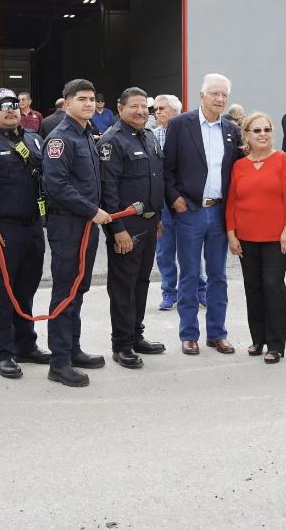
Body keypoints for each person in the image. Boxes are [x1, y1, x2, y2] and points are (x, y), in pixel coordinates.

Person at [0, 89, 52, 379]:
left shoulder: (34, 139)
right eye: (2, 106)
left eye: (14, 105)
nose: (10, 110)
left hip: (32, 228)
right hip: (1, 230)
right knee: (1, 294)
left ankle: (25, 345)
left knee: (26, 291)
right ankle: (2, 352)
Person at [163, 73, 243, 355]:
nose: (220, 99)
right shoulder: (179, 124)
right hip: (191, 211)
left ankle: (217, 333)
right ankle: (189, 334)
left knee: (218, 276)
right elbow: (167, 170)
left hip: (220, 212)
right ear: (202, 96)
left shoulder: (232, 130)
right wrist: (175, 199)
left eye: (224, 95)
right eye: (214, 94)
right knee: (190, 274)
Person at [43, 79, 110, 386]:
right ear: (67, 103)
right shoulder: (60, 138)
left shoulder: (86, 136)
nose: (88, 103)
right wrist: (91, 210)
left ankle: (72, 348)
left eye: (92, 99)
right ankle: (58, 362)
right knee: (65, 291)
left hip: (86, 224)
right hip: (69, 224)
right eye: (81, 98)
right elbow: (56, 186)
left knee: (79, 289)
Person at [99, 87, 168, 369]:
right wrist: (117, 229)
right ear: (120, 108)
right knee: (123, 286)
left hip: (150, 222)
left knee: (141, 283)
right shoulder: (112, 141)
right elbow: (108, 189)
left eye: (145, 107)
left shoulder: (149, 136)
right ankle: (122, 344)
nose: (141, 111)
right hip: (126, 226)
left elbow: (155, 179)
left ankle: (136, 335)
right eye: (134, 106)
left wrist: (158, 216)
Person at [226, 112, 286, 364]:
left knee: (272, 285)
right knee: (253, 287)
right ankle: (258, 339)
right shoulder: (239, 166)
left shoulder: (284, 160)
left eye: (266, 130)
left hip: (277, 237)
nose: (262, 134)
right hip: (246, 237)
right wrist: (231, 234)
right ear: (246, 135)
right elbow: (232, 201)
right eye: (256, 130)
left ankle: (276, 343)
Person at [152, 94, 208, 310]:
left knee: (191, 248)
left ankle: (199, 290)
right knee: (165, 249)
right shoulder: (151, 136)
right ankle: (169, 292)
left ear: (175, 111)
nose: (157, 112)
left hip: (186, 200)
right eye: (156, 108)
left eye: (163, 108)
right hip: (163, 202)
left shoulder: (191, 133)